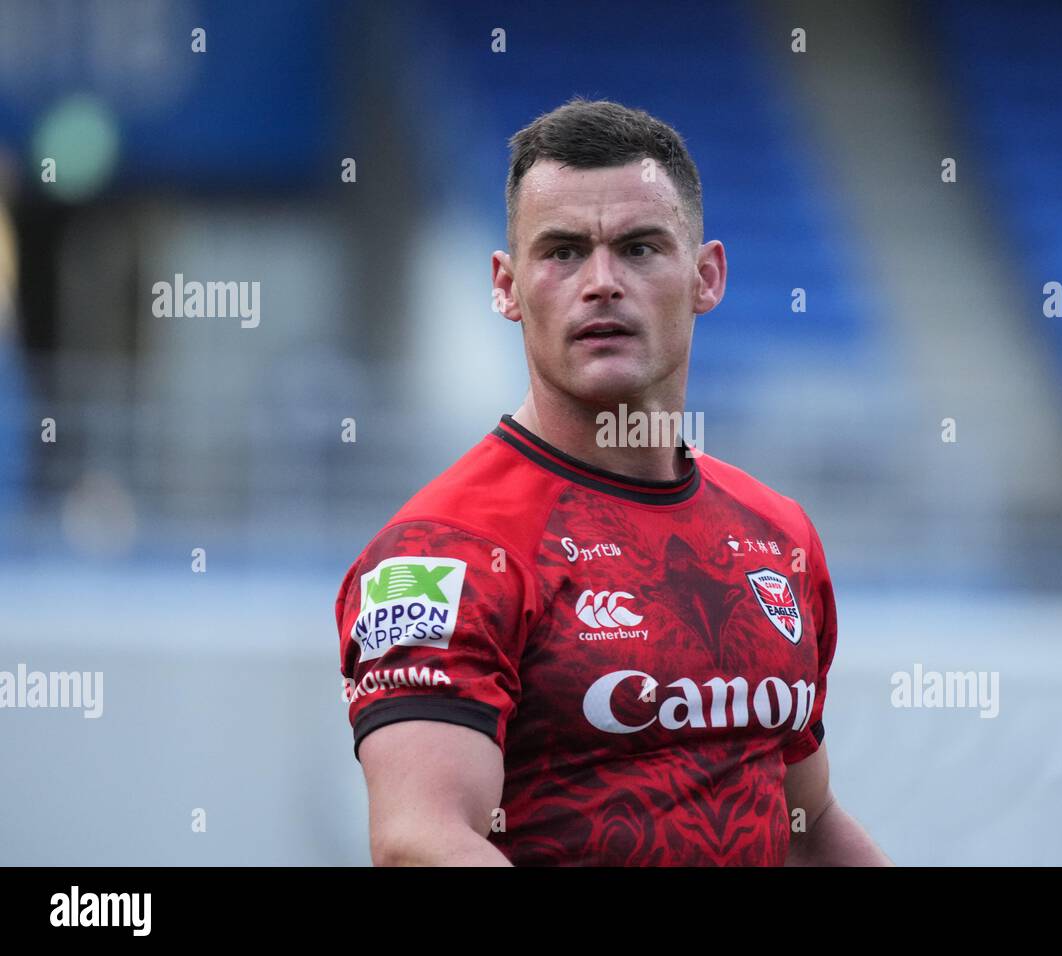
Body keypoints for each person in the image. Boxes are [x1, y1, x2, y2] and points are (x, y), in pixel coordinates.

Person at [336, 97, 892, 866]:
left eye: (638, 248)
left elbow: (810, 821)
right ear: (505, 286)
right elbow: (420, 840)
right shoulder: (441, 554)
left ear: (706, 276)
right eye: (562, 251)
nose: (601, 282)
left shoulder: (778, 534)